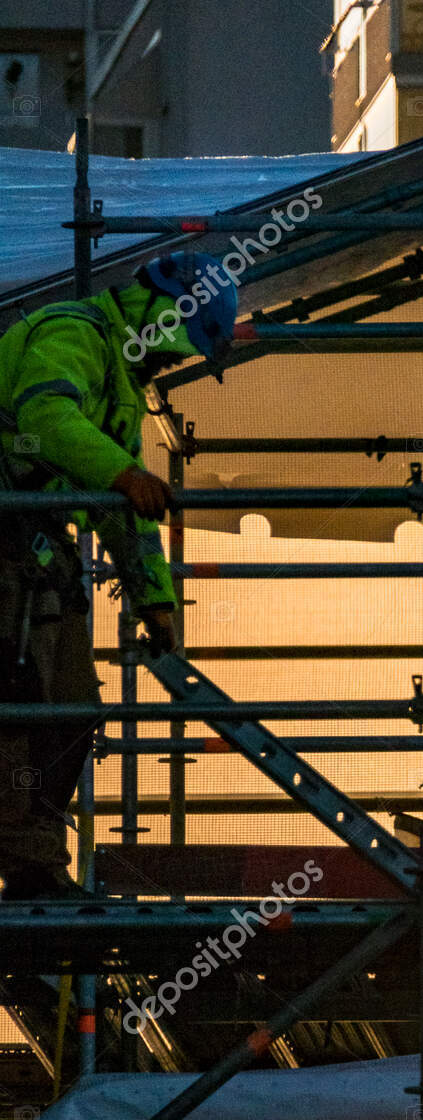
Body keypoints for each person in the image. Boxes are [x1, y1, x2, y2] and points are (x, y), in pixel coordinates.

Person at [0, 252, 237, 900]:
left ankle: (35, 864)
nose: (169, 367)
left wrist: (154, 601)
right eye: (174, 352)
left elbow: (123, 514)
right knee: (17, 699)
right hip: (9, 539)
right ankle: (28, 864)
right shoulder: (71, 332)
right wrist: (125, 477)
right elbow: (48, 421)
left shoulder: (117, 390)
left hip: (39, 545)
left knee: (72, 706)